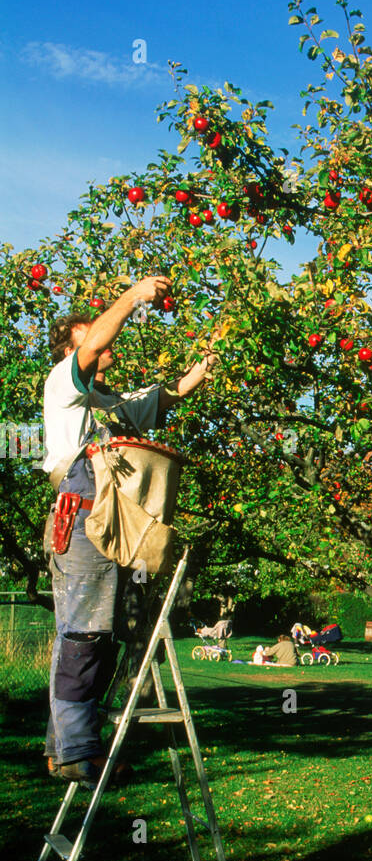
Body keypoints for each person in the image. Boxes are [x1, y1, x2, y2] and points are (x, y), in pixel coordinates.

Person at [42, 279, 216, 784]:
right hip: (82, 516)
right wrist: (135, 295)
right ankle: (76, 749)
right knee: (82, 631)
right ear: (72, 347)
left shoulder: (109, 404)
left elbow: (172, 393)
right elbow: (95, 342)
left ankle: (68, 745)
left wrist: (206, 363)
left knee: (106, 630)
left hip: (117, 523)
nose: (105, 342)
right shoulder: (63, 384)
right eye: (91, 336)